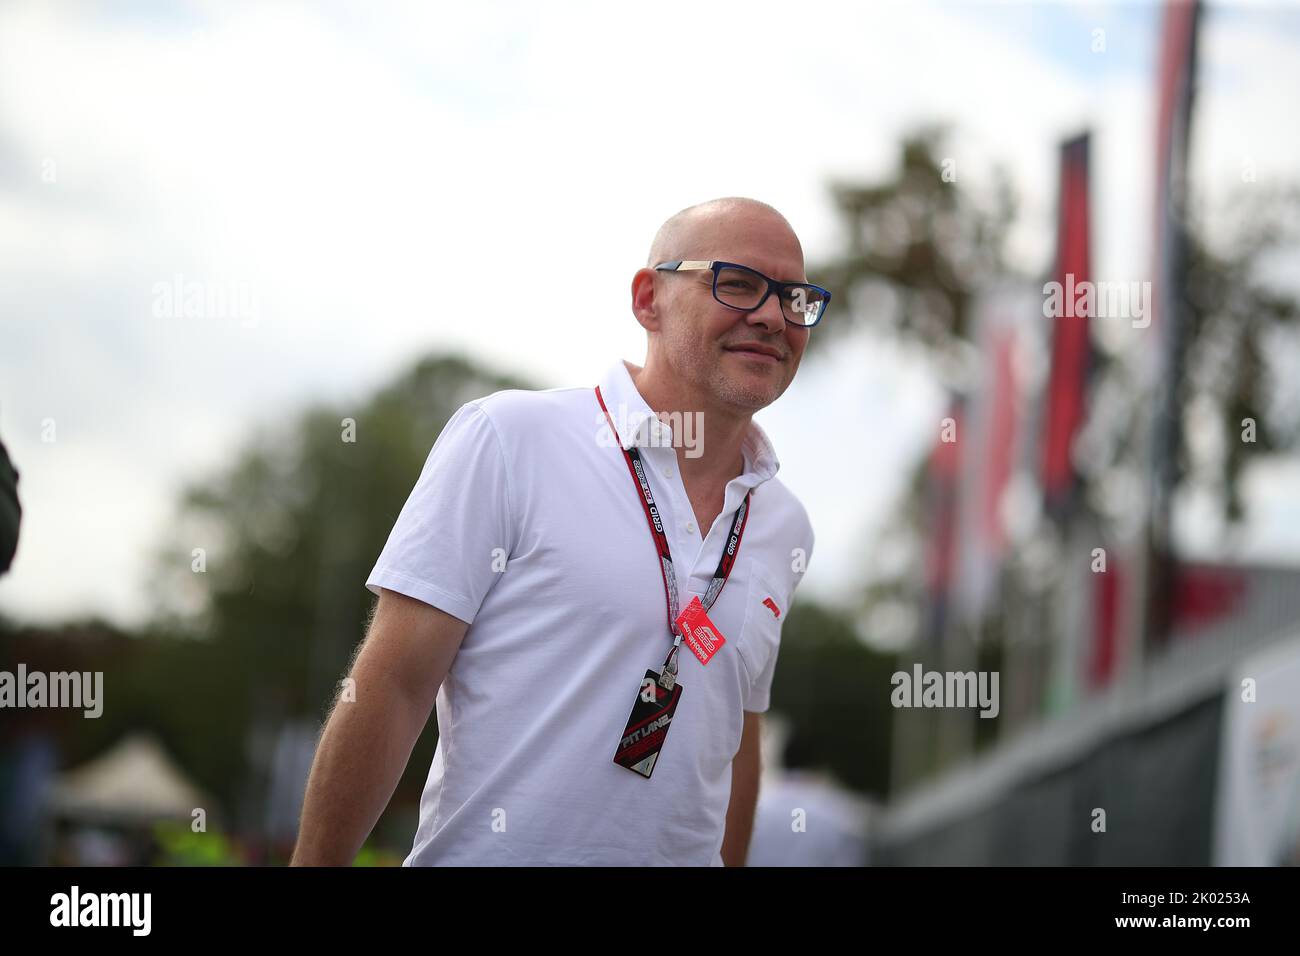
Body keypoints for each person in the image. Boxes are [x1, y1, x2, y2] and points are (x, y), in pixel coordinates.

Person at [292, 197, 826, 866]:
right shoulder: (511, 439)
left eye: (794, 297)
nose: (773, 316)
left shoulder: (783, 522)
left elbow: (736, 733)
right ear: (648, 298)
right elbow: (394, 683)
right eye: (738, 284)